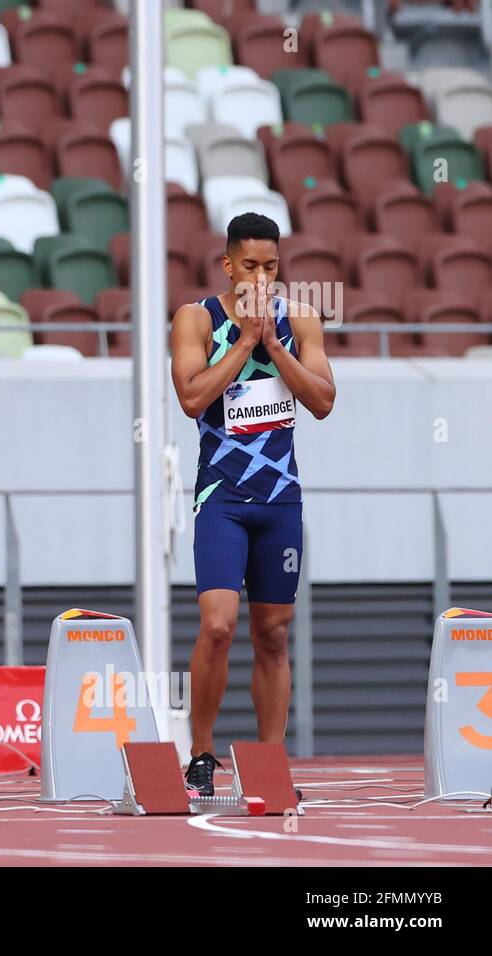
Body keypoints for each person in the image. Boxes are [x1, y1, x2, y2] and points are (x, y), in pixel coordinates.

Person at [169, 213, 336, 796]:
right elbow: (191, 398)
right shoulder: (196, 318)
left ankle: (269, 760)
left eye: (270, 266)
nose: (260, 277)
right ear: (228, 264)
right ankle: (202, 752)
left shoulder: (302, 318)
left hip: (279, 498)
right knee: (217, 625)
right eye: (249, 266)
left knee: (274, 633)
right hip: (222, 495)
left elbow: (323, 400)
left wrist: (273, 344)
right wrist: (244, 341)